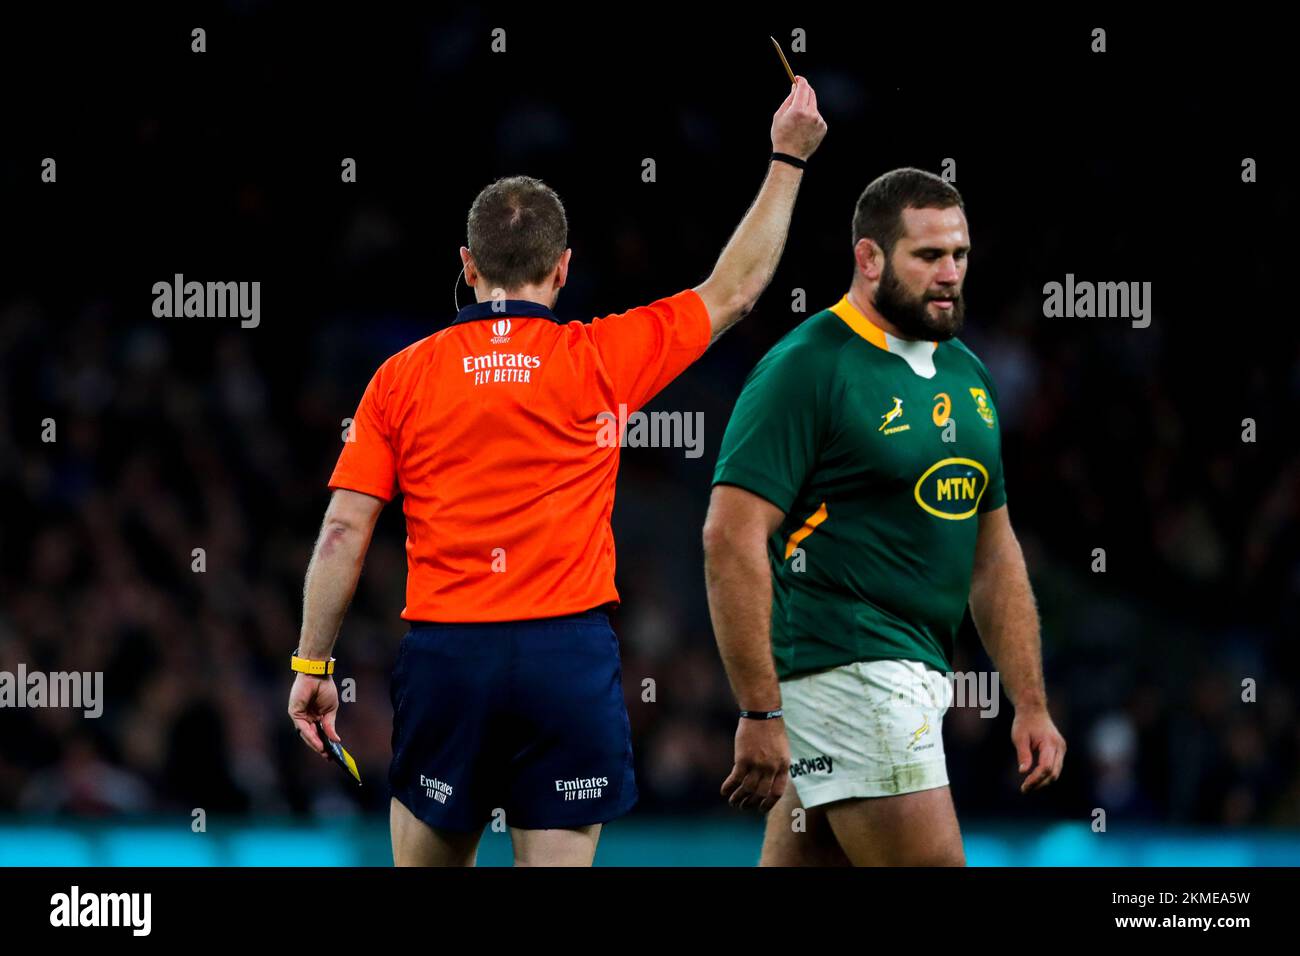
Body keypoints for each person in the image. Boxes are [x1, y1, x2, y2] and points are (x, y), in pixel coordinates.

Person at [287, 78, 827, 866]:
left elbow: (342, 529)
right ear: (563, 268)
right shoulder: (599, 358)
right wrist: (788, 157)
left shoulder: (401, 377)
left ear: (468, 266)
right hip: (565, 661)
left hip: (449, 663)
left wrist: (311, 662)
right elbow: (736, 290)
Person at [703, 167, 1065, 865]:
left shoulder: (968, 373)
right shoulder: (807, 367)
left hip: (899, 683)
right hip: (852, 674)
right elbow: (729, 535)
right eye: (928, 256)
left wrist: (1029, 701)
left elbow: (993, 554)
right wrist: (758, 709)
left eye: (959, 254)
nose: (950, 273)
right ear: (868, 258)